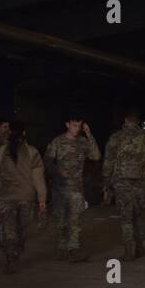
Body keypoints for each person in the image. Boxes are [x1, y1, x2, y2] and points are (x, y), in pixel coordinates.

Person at [0, 120, 46, 273]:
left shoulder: (0, 152)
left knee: (9, 229)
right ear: (24, 133)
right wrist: (42, 198)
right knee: (21, 227)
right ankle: (14, 253)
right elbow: (38, 178)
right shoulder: (32, 152)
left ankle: (11, 256)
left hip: (5, 196)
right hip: (26, 197)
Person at [44, 111, 100, 262]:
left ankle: (73, 249)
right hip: (60, 189)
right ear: (67, 125)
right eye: (74, 125)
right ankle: (62, 248)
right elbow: (47, 162)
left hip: (76, 189)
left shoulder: (83, 141)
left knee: (75, 220)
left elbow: (96, 156)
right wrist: (58, 171)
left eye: (79, 126)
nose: (77, 128)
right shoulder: (58, 142)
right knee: (61, 220)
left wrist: (89, 134)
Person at [102, 110, 145, 261]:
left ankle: (129, 250)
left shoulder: (116, 137)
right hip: (141, 181)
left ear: (125, 121)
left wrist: (106, 180)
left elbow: (109, 160)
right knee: (138, 214)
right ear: (137, 122)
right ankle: (140, 246)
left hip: (122, 181)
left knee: (126, 217)